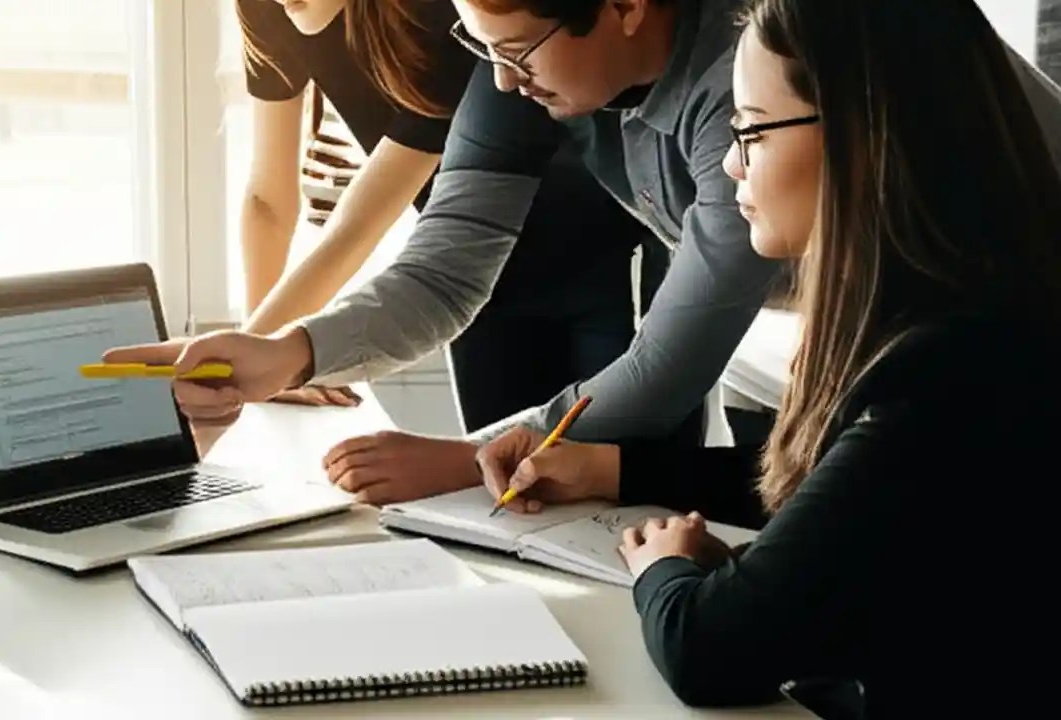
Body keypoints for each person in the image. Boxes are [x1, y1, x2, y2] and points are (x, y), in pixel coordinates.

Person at [475, 0, 1061, 715]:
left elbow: (710, 650)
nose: (726, 162)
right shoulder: (947, 320)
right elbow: (842, 488)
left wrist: (660, 569)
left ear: (861, 138)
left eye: (749, 130)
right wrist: (617, 470)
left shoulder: (951, 366)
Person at [107, 0, 787, 506]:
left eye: (517, 51)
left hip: (849, 332)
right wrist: (289, 352)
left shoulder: (740, 86)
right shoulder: (524, 62)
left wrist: (473, 457)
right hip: (775, 336)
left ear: (626, 7)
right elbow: (441, 271)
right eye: (484, 47)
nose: (499, 82)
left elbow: (665, 368)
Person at [233, 0, 646, 435]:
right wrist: (255, 351)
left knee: (628, 473)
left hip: (605, 260)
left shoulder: (438, 18)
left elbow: (357, 226)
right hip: (473, 281)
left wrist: (253, 359)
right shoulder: (266, 8)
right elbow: (267, 201)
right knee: (505, 483)